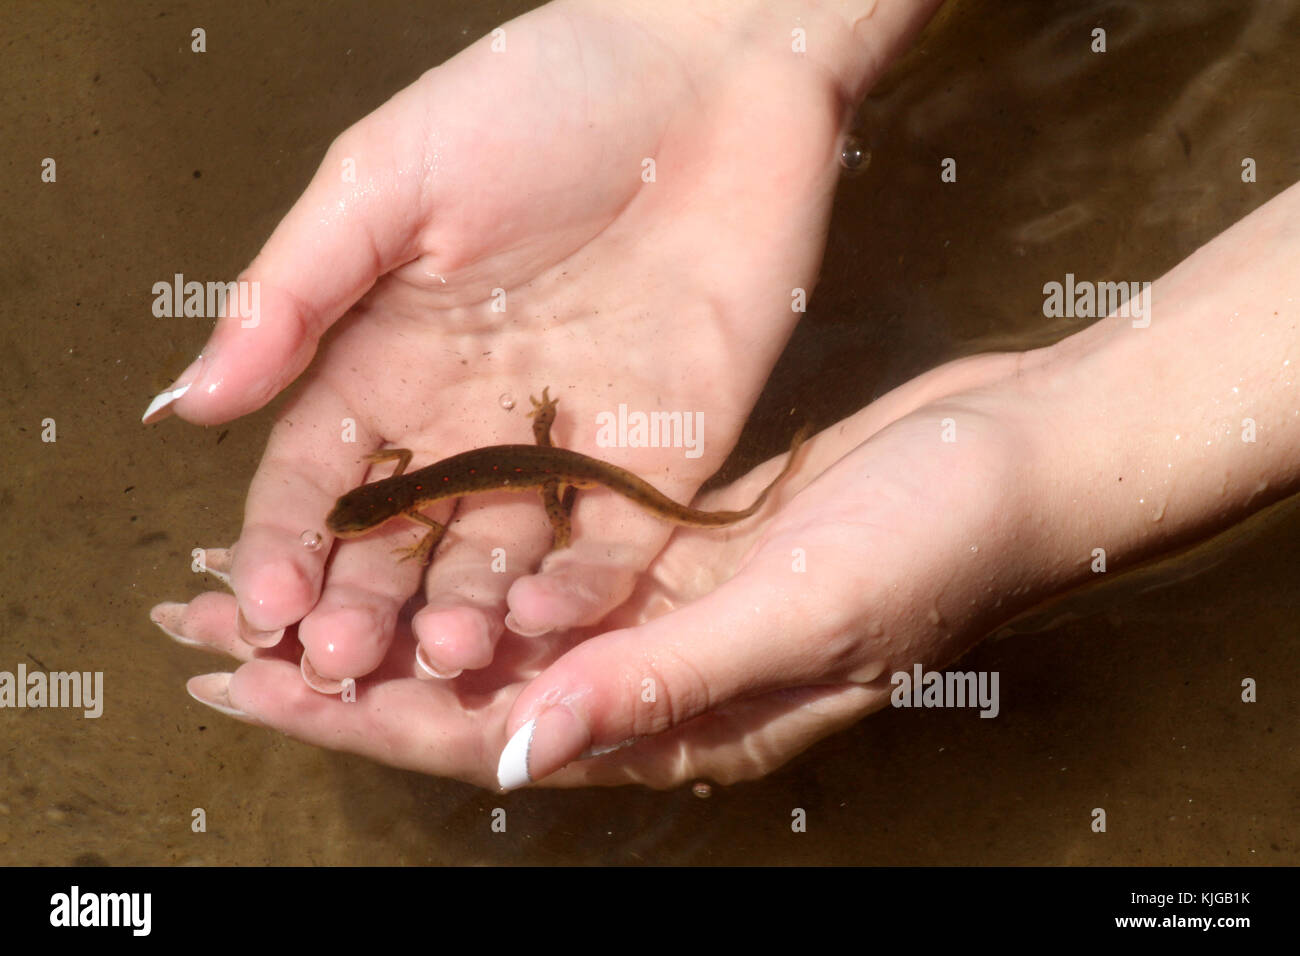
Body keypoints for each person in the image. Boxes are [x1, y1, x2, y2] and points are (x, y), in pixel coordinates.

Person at [146, 0, 1300, 789]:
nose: (368, 520)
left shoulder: (410, 504)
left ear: (371, 513)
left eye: (365, 519)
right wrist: (709, 35)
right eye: (365, 519)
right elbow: (411, 493)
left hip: (549, 467)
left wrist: (1061, 459)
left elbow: (426, 498)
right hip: (537, 459)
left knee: (553, 485)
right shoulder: (398, 498)